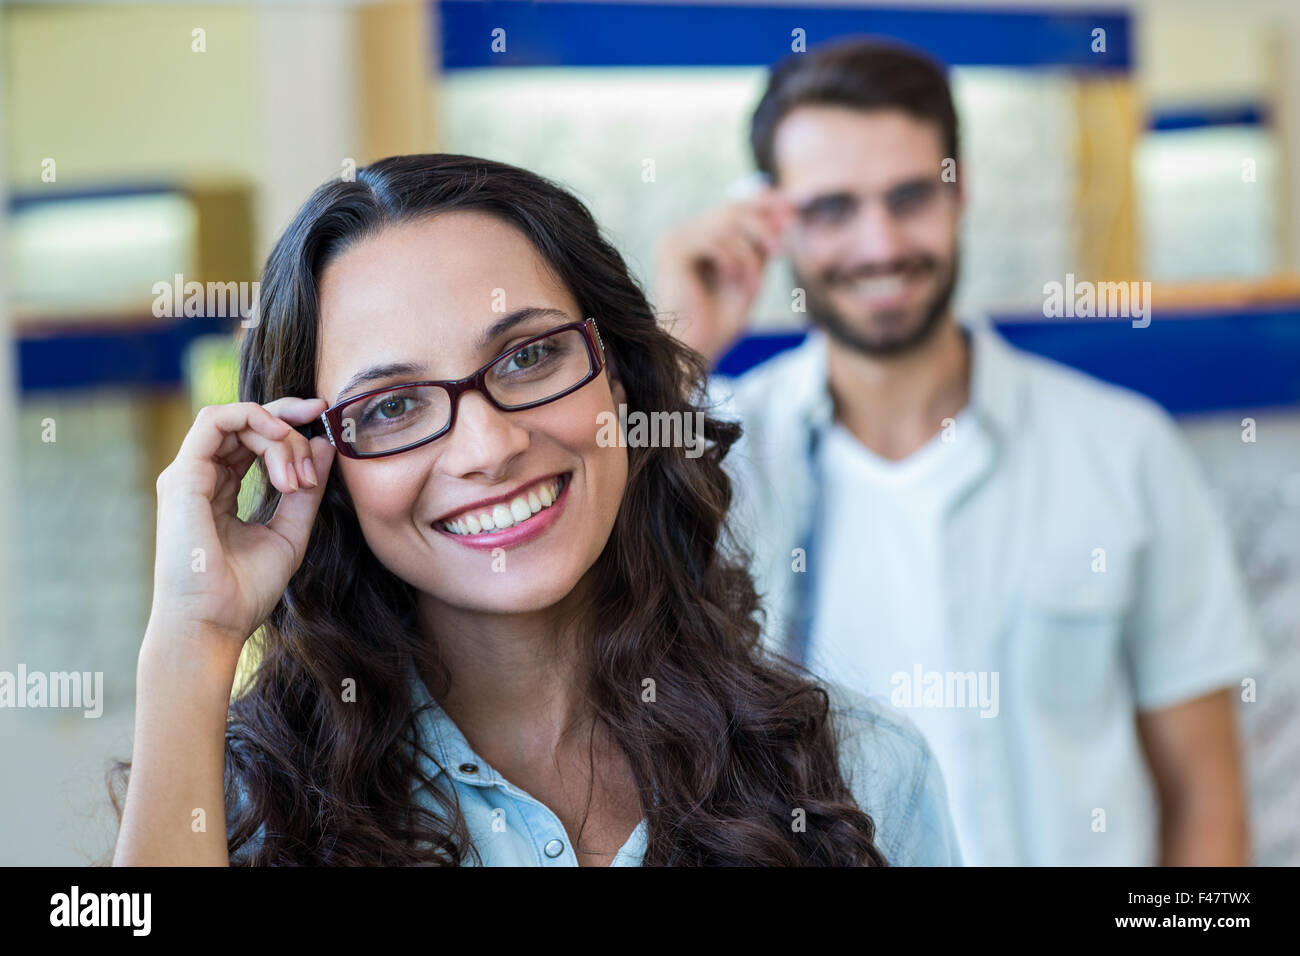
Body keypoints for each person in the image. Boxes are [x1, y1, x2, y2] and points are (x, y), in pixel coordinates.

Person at [107, 153, 961, 866]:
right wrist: (192, 640)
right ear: (321, 469)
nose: (487, 448)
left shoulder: (861, 774)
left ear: (618, 378)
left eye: (530, 357)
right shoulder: (243, 807)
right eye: (391, 407)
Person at [654, 37, 1265, 866]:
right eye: (832, 207)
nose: (879, 245)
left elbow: (1206, 798)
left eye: (909, 197)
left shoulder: (1124, 450)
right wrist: (675, 348)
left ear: (960, 191)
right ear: (772, 220)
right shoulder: (712, 464)